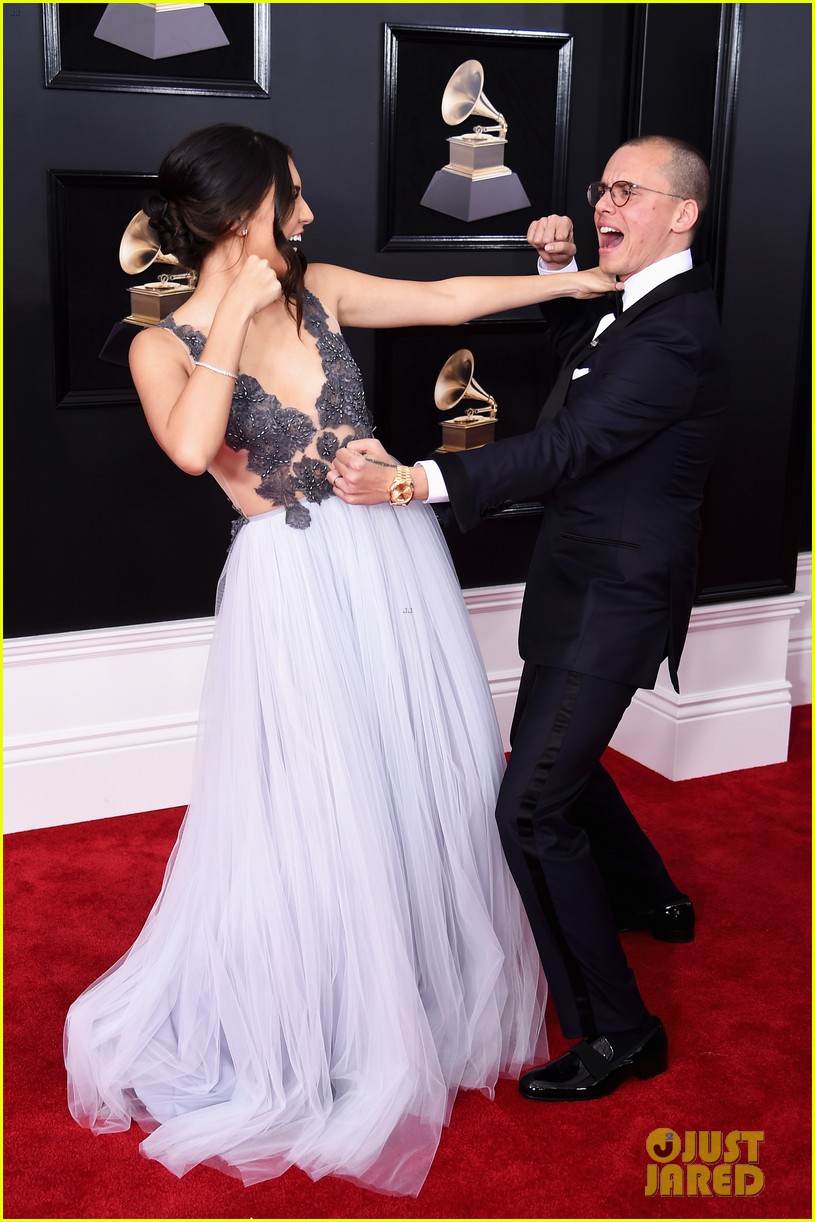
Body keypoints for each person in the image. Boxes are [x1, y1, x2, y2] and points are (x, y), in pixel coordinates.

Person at [63, 123, 617, 1195]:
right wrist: (225, 311)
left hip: (390, 559)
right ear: (239, 215)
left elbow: (449, 300)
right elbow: (190, 449)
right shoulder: (157, 341)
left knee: (414, 772)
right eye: (291, 201)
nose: (307, 217)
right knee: (313, 798)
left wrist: (576, 274)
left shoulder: (321, 292)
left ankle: (407, 994)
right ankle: (313, 1015)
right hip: (293, 583)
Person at [333, 135, 729, 1102]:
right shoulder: (637, 309)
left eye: (628, 191)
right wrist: (557, 272)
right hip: (576, 585)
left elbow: (575, 441)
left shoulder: (678, 331)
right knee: (561, 768)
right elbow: (582, 368)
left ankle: (620, 1032)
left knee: (531, 807)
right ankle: (656, 900)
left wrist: (411, 484)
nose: (604, 201)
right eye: (603, 187)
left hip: (615, 599)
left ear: (681, 213)